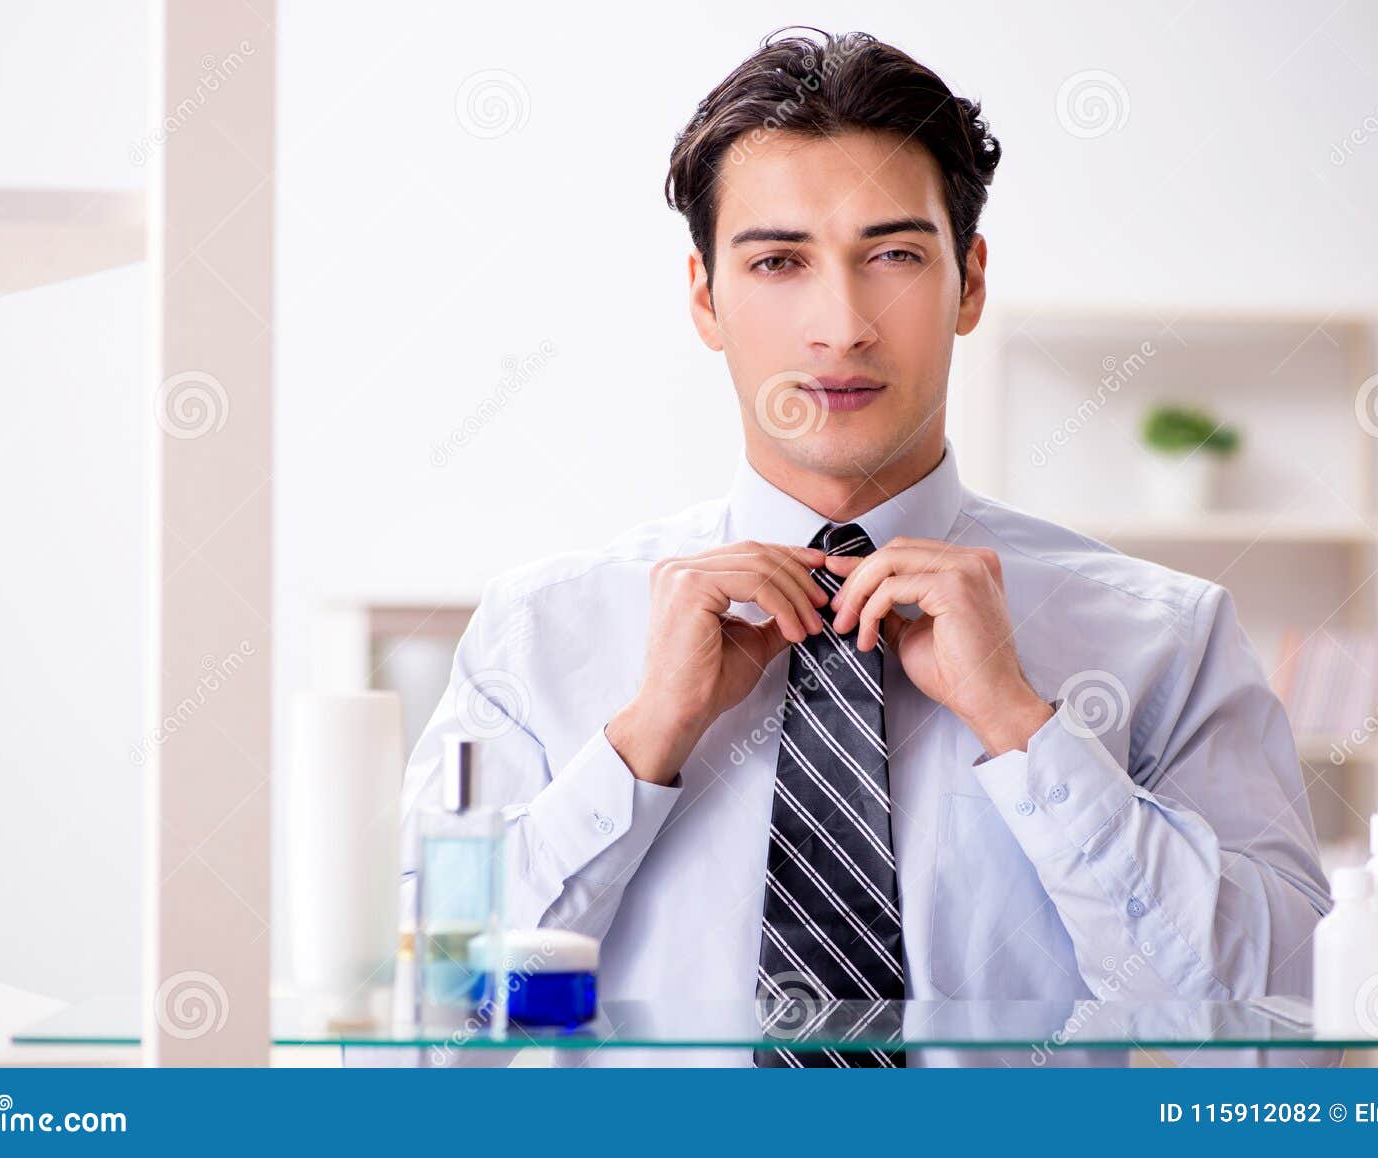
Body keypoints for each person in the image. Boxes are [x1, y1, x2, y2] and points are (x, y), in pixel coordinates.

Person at [397, 28, 1330, 1068]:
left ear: (967, 283)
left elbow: (1288, 1028)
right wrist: (642, 741)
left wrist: (1024, 729)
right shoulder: (538, 634)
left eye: (891, 256)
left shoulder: (1165, 637)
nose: (839, 327)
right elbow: (438, 1022)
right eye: (778, 261)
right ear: (705, 296)